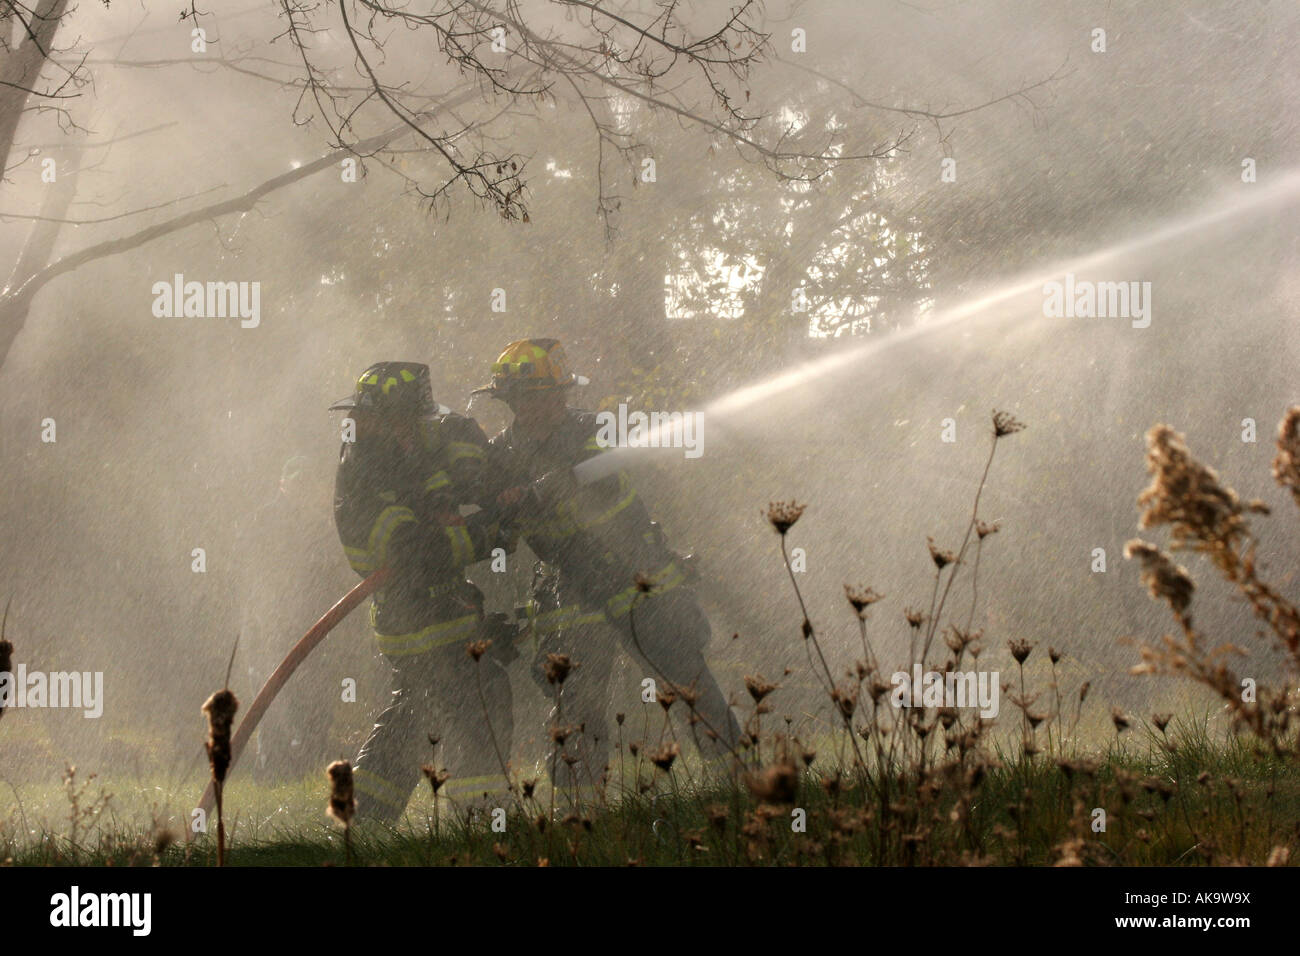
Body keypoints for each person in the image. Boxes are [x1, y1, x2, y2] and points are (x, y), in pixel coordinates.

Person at [475, 339, 741, 798]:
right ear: (509, 401)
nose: (534, 406)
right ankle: (579, 805)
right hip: (570, 584)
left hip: (634, 575)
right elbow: (497, 518)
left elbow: (609, 470)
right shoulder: (501, 455)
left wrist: (559, 482)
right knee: (573, 694)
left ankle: (738, 780)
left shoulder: (595, 429)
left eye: (542, 394)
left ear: (561, 393)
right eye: (521, 398)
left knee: (683, 676)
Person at [330, 361, 518, 823]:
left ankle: (365, 817)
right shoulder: (365, 475)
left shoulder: (406, 450)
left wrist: (495, 481)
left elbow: (455, 440)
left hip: (436, 610)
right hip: (414, 620)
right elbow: (418, 551)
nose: (412, 431)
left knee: (417, 712)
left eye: (415, 422)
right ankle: (480, 819)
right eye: (401, 421)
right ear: (376, 420)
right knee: (480, 692)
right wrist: (488, 531)